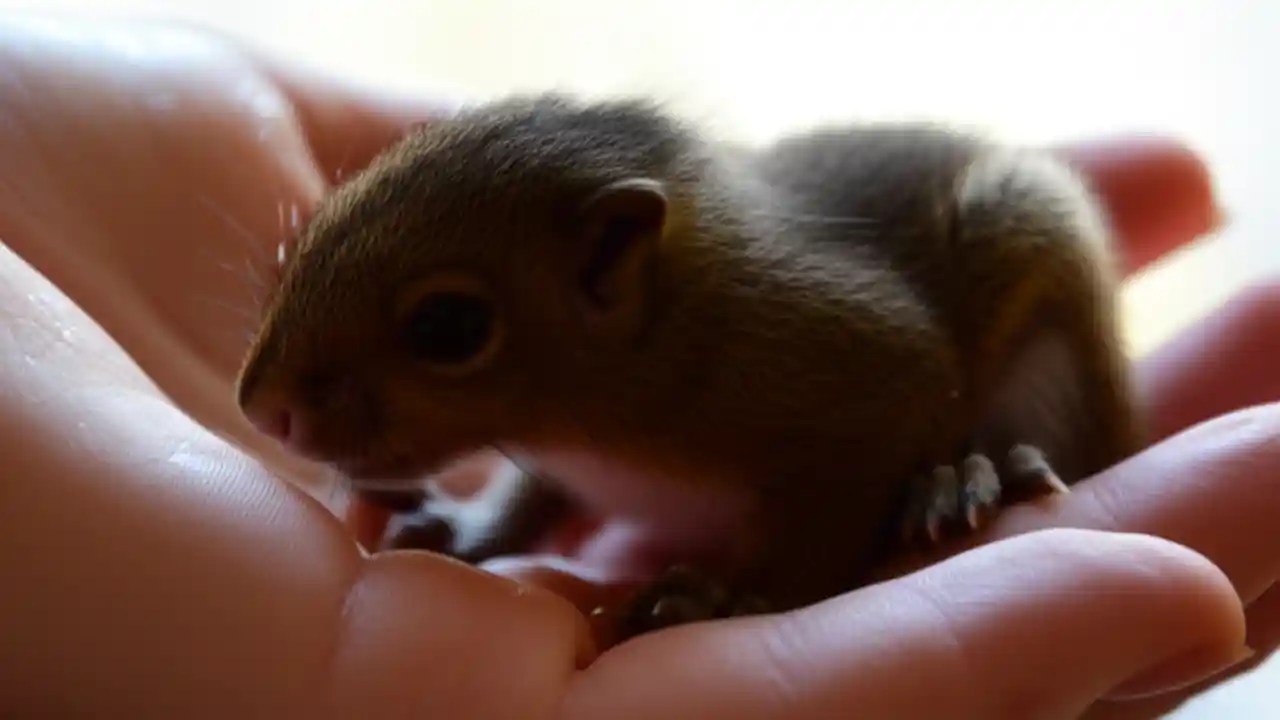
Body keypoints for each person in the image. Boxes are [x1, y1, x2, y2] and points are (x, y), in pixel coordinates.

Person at [1, 16, 1277, 719]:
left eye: (444, 330)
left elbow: (891, 387)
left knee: (1026, 219)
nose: (271, 409)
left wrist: (761, 590)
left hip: (956, 330)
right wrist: (493, 525)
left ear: (610, 267)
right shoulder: (589, 380)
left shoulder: (747, 361)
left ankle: (1005, 461)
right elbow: (555, 450)